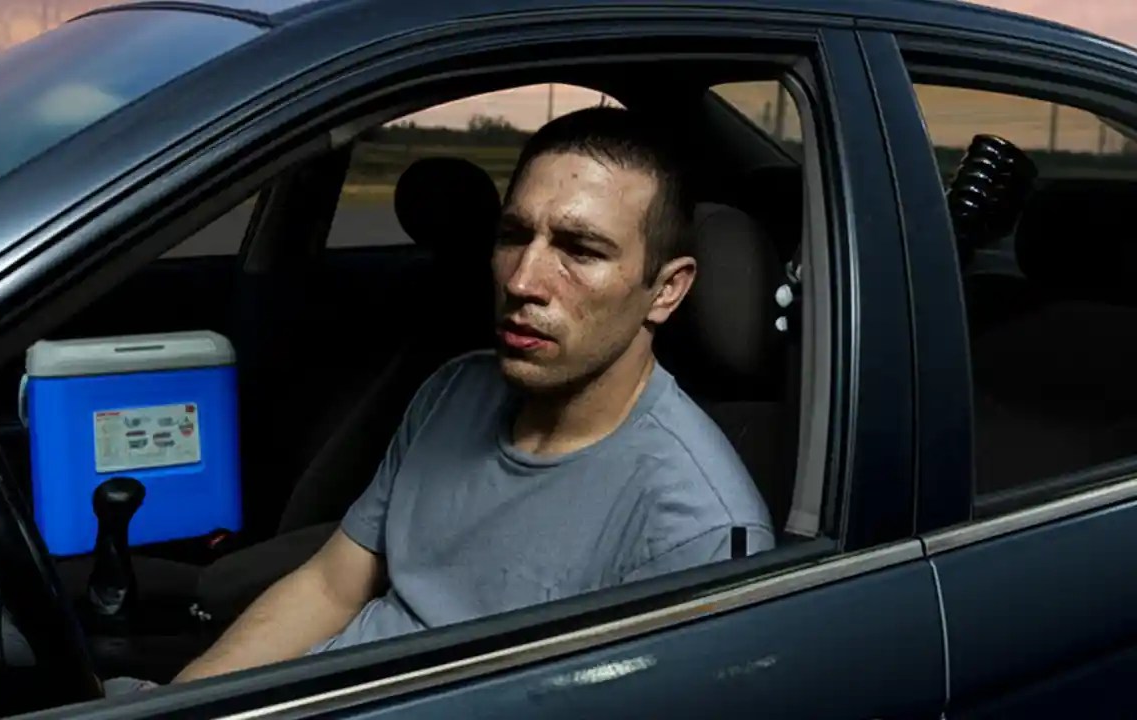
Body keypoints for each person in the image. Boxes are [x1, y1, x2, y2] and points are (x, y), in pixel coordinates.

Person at [171, 105, 773, 684]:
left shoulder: (696, 531)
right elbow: (332, 585)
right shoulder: (454, 391)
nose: (522, 280)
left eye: (580, 251)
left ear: (666, 290)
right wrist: (186, 702)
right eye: (514, 235)